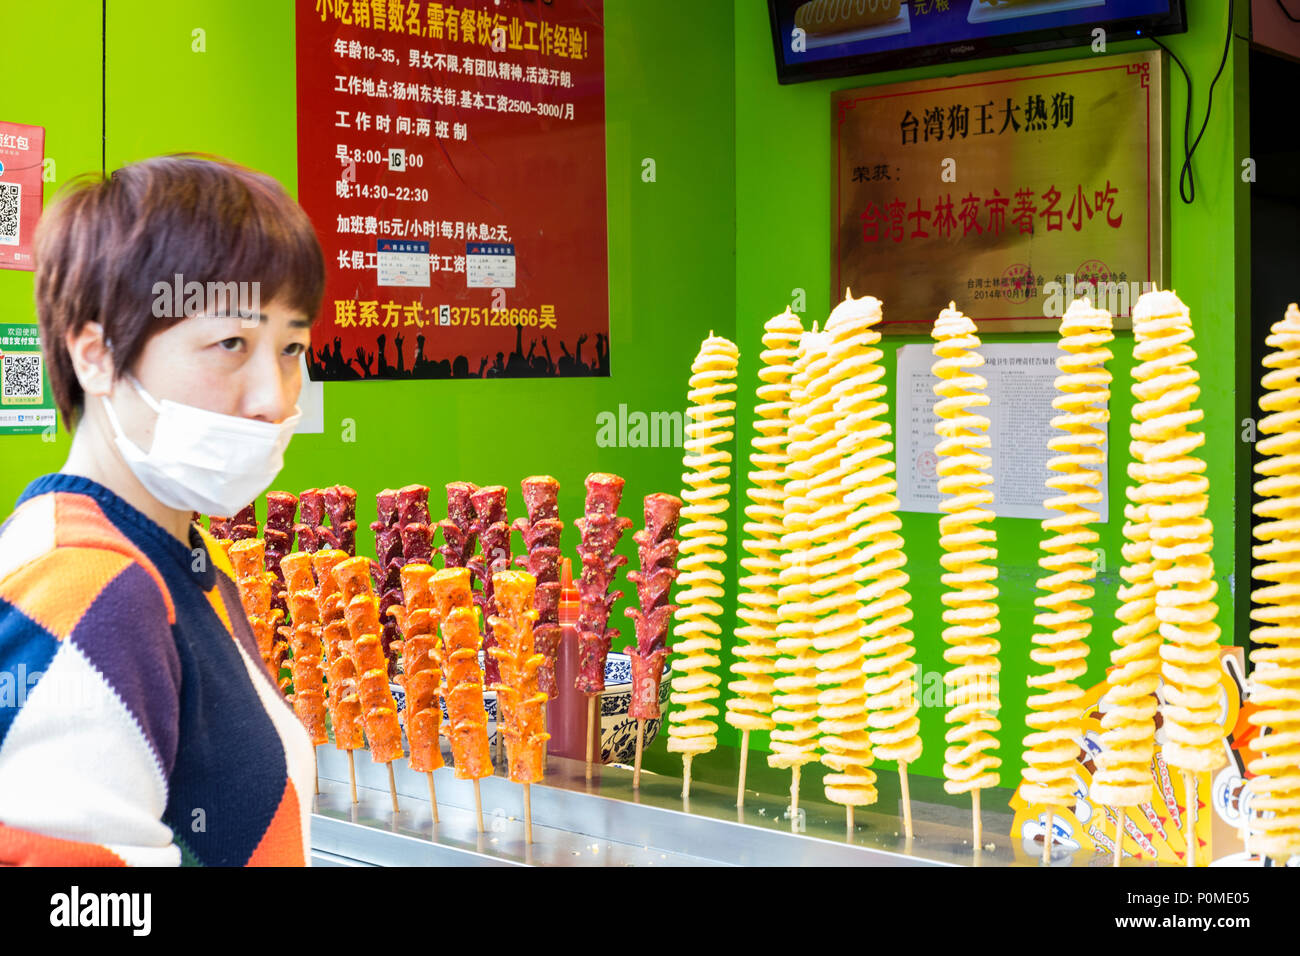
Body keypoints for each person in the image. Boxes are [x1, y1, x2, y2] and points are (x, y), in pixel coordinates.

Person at [0, 154, 324, 865]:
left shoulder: (175, 558)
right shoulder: (91, 585)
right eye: (231, 343)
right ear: (98, 356)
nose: (277, 398)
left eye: (292, 346)